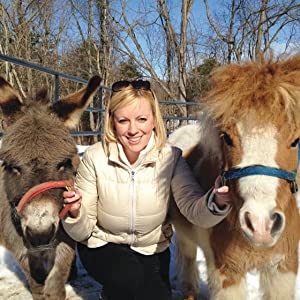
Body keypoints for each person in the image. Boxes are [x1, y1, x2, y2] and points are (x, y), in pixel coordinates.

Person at [62, 79, 231, 300]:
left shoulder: (171, 158)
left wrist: (216, 202)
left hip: (150, 250)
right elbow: (82, 231)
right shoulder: (95, 158)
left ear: (154, 120)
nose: (133, 130)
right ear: (112, 122)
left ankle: (114, 292)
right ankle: (115, 289)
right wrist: (75, 213)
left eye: (142, 119)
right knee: (128, 279)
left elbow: (193, 209)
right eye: (123, 120)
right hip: (103, 246)